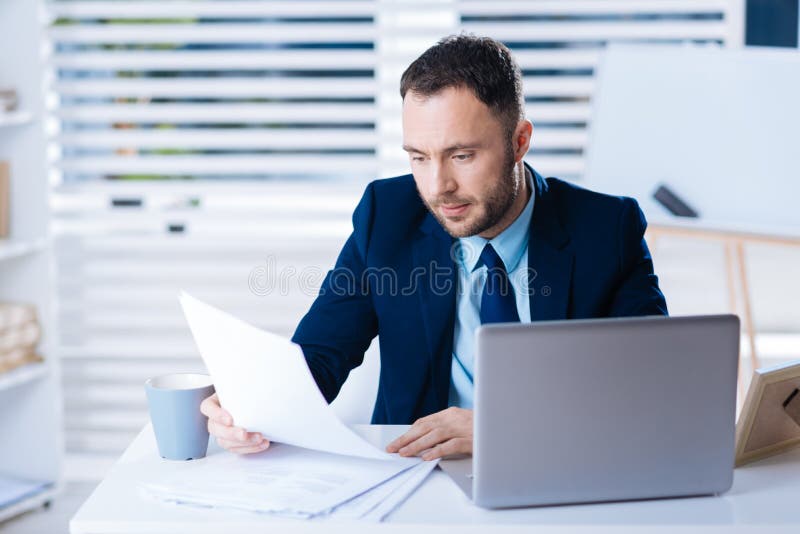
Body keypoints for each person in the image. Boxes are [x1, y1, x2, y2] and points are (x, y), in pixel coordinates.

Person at [201, 34, 668, 461]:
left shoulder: (607, 229)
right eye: (419, 158)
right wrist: (254, 405)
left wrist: (507, 430)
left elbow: (653, 389)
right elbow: (319, 357)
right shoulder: (388, 215)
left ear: (519, 141)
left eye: (462, 156)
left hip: (560, 469)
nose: (439, 187)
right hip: (416, 479)